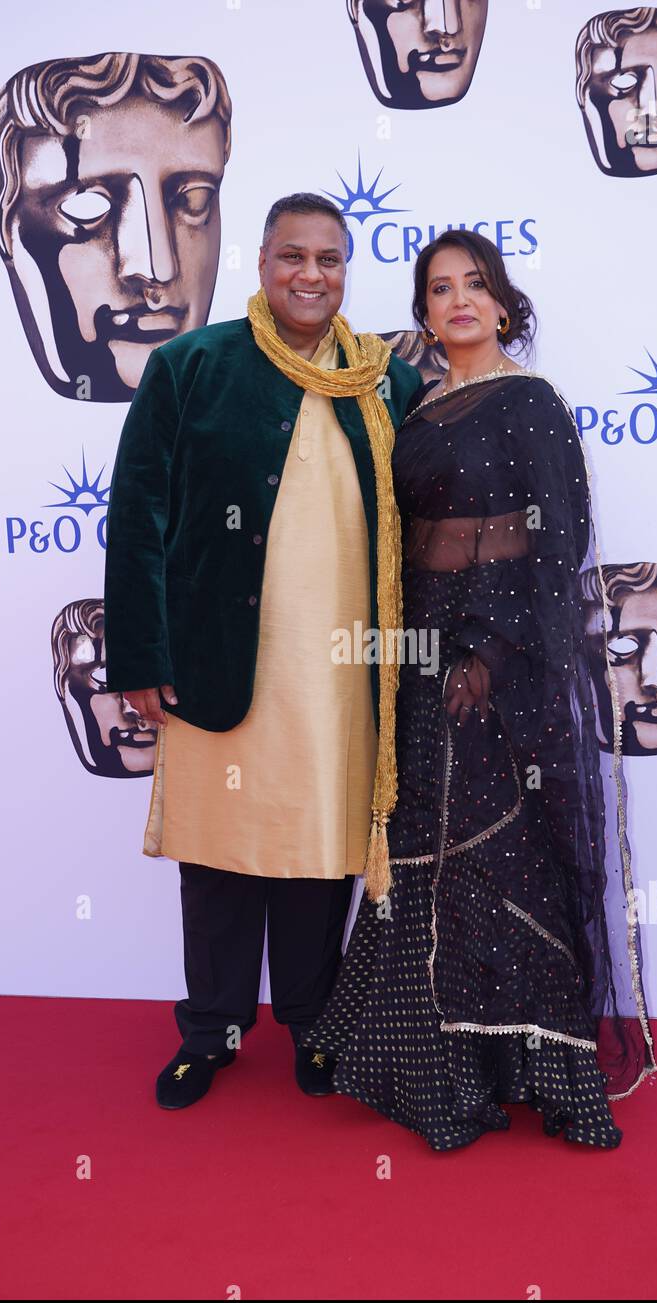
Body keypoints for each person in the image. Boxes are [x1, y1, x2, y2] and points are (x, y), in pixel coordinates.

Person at [303, 230, 657, 1150]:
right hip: (418, 641)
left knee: (504, 853)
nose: (457, 300)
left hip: (498, 653)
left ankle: (546, 1069)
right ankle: (443, 1074)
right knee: (421, 843)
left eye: (474, 285)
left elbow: (555, 540)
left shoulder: (531, 402)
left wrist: (493, 655)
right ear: (423, 314)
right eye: (438, 289)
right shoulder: (415, 413)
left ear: (502, 304)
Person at [103, 193, 422, 1109]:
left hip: (340, 676)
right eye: (293, 257)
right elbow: (139, 517)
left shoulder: (383, 381)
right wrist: (139, 655)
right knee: (219, 854)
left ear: (346, 269)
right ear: (260, 262)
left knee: (321, 855)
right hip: (215, 658)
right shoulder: (192, 365)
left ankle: (316, 1031)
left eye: (329, 259)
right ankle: (211, 1031)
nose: (311, 276)